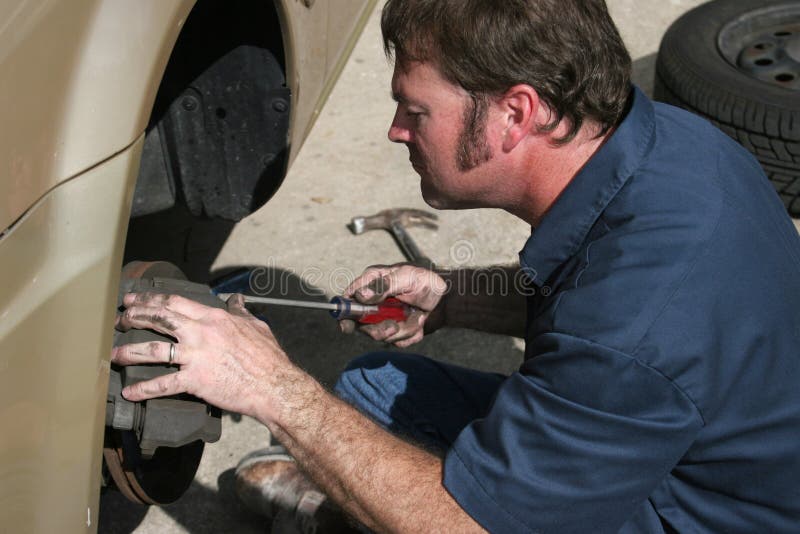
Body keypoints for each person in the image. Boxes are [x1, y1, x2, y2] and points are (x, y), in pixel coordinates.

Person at [111, 0, 800, 532]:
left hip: (697, 514)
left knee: (359, 447)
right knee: (373, 390)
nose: (396, 132)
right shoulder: (668, 143)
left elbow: (473, 522)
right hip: (690, 444)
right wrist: (460, 298)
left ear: (515, 113)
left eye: (416, 110)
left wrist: (268, 386)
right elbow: (607, 293)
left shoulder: (631, 327)